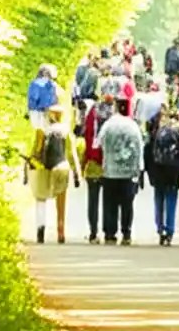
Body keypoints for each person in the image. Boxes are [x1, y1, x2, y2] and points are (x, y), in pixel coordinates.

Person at [93, 96, 145, 246]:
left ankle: (110, 233)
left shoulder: (108, 125)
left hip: (110, 171)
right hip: (128, 172)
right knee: (127, 204)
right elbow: (139, 148)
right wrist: (139, 170)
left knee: (110, 203)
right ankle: (126, 233)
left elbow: (98, 144)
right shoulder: (133, 126)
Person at [29, 105, 81, 244]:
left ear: (50, 115)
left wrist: (26, 171)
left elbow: (34, 152)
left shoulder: (42, 131)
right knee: (61, 202)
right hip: (61, 167)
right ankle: (61, 230)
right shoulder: (66, 132)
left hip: (45, 168)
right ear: (61, 116)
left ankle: (40, 230)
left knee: (41, 198)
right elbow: (72, 155)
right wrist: (77, 173)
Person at [81, 92, 115, 243]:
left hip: (93, 162)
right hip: (109, 163)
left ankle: (93, 232)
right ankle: (109, 233)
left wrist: (85, 159)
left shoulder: (92, 113)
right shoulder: (113, 116)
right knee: (109, 199)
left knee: (92, 199)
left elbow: (86, 135)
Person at [148, 111, 179, 246]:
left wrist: (150, 174)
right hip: (173, 172)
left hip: (158, 172)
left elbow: (150, 154)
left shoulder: (156, 134)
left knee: (159, 201)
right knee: (171, 201)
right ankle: (169, 230)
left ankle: (160, 228)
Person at [27, 64, 59, 147]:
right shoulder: (49, 85)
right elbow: (50, 101)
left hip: (33, 112)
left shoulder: (33, 83)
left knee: (38, 133)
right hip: (44, 113)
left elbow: (32, 99)